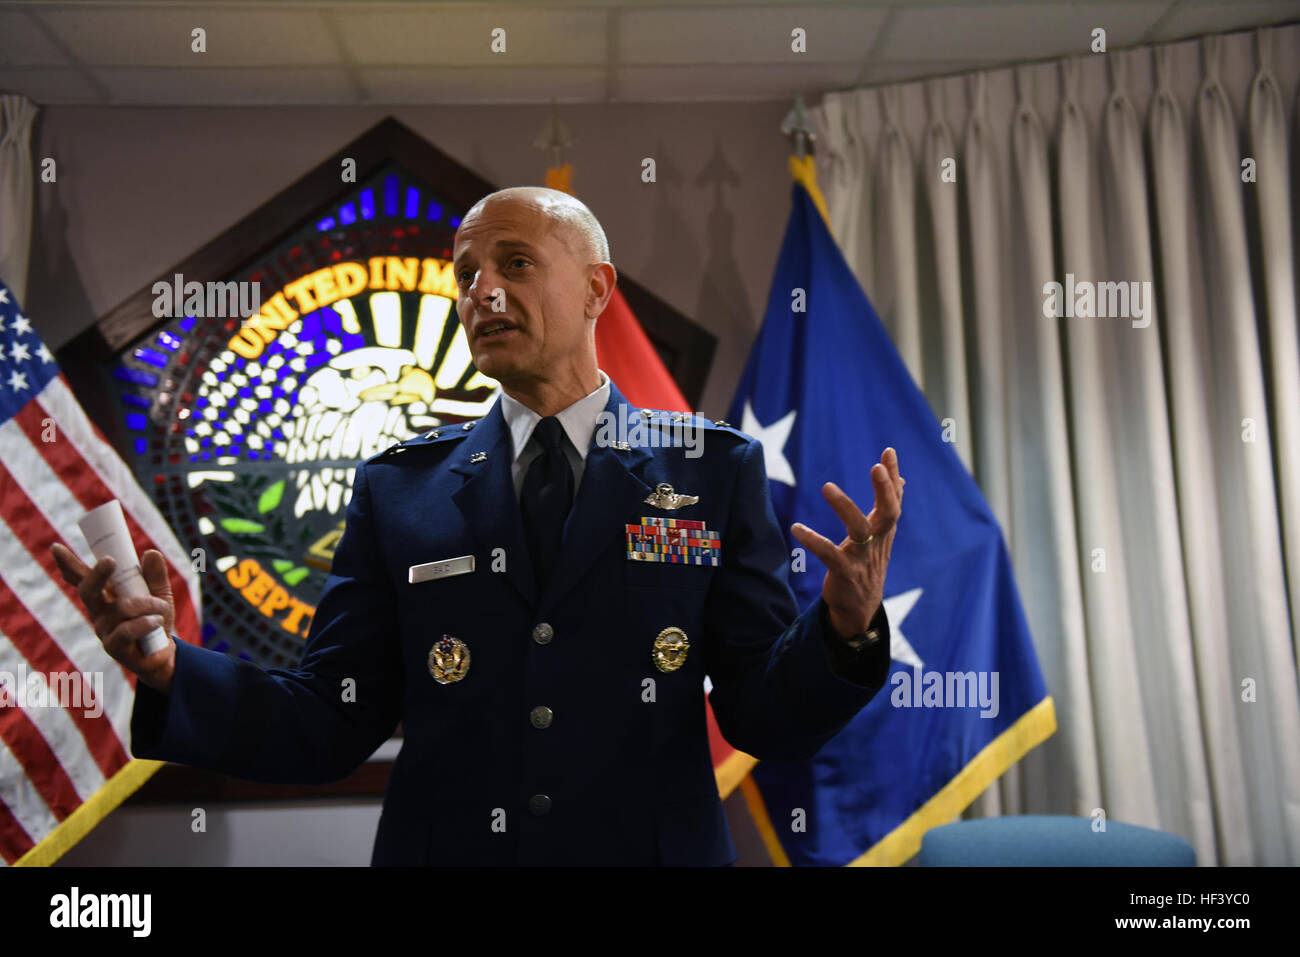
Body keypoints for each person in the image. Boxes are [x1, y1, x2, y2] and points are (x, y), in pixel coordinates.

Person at [51, 186, 905, 866]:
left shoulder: (709, 470)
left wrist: (843, 628)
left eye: (517, 262)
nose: (481, 289)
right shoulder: (402, 489)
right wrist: (167, 668)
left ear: (596, 288)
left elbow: (760, 713)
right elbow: (329, 717)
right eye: (466, 273)